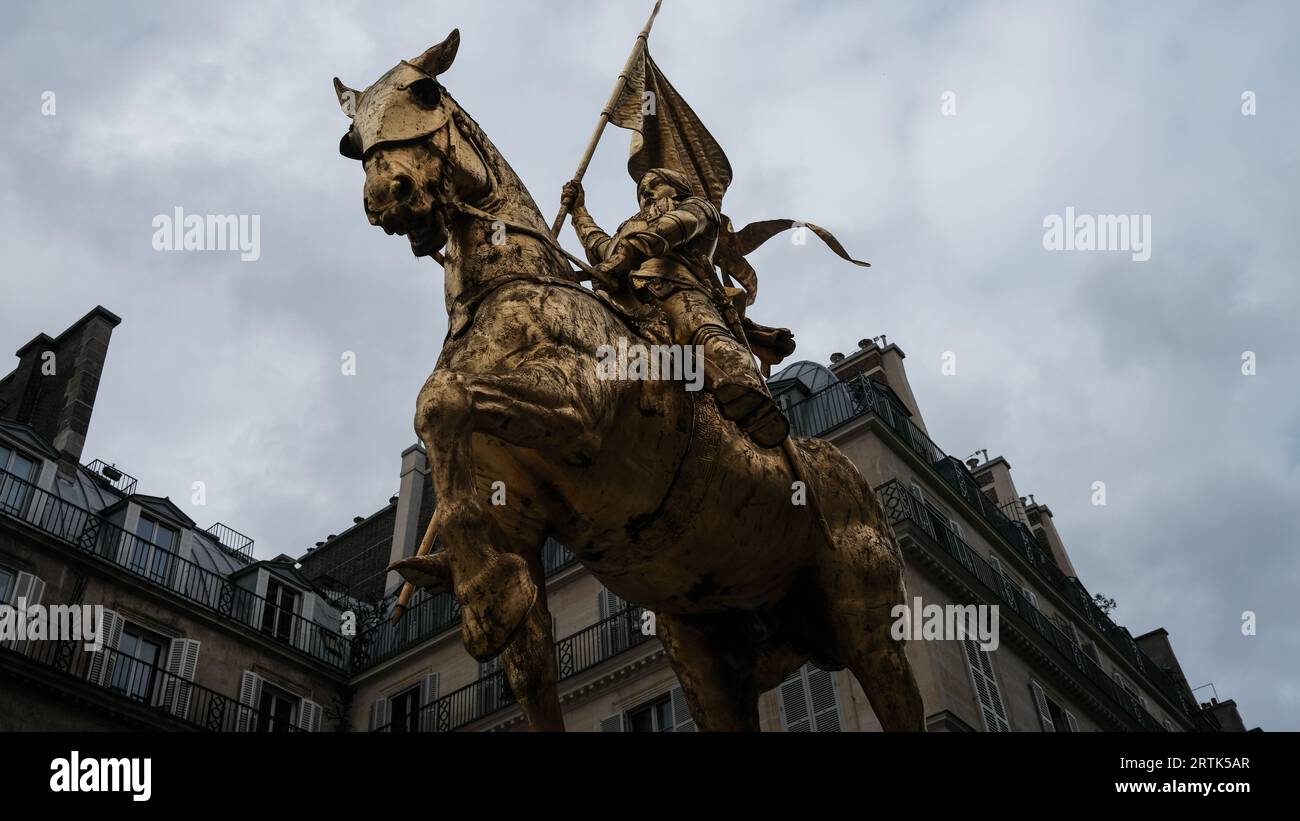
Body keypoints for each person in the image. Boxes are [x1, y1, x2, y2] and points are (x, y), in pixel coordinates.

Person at [561, 169, 789, 448]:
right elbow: (602, 249)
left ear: (678, 187)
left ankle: (747, 393)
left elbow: (674, 227)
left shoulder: (697, 207)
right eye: (641, 189)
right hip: (628, 302)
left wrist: (626, 256)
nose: (646, 191)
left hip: (676, 288)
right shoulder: (629, 226)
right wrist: (579, 212)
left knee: (703, 334)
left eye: (655, 184)